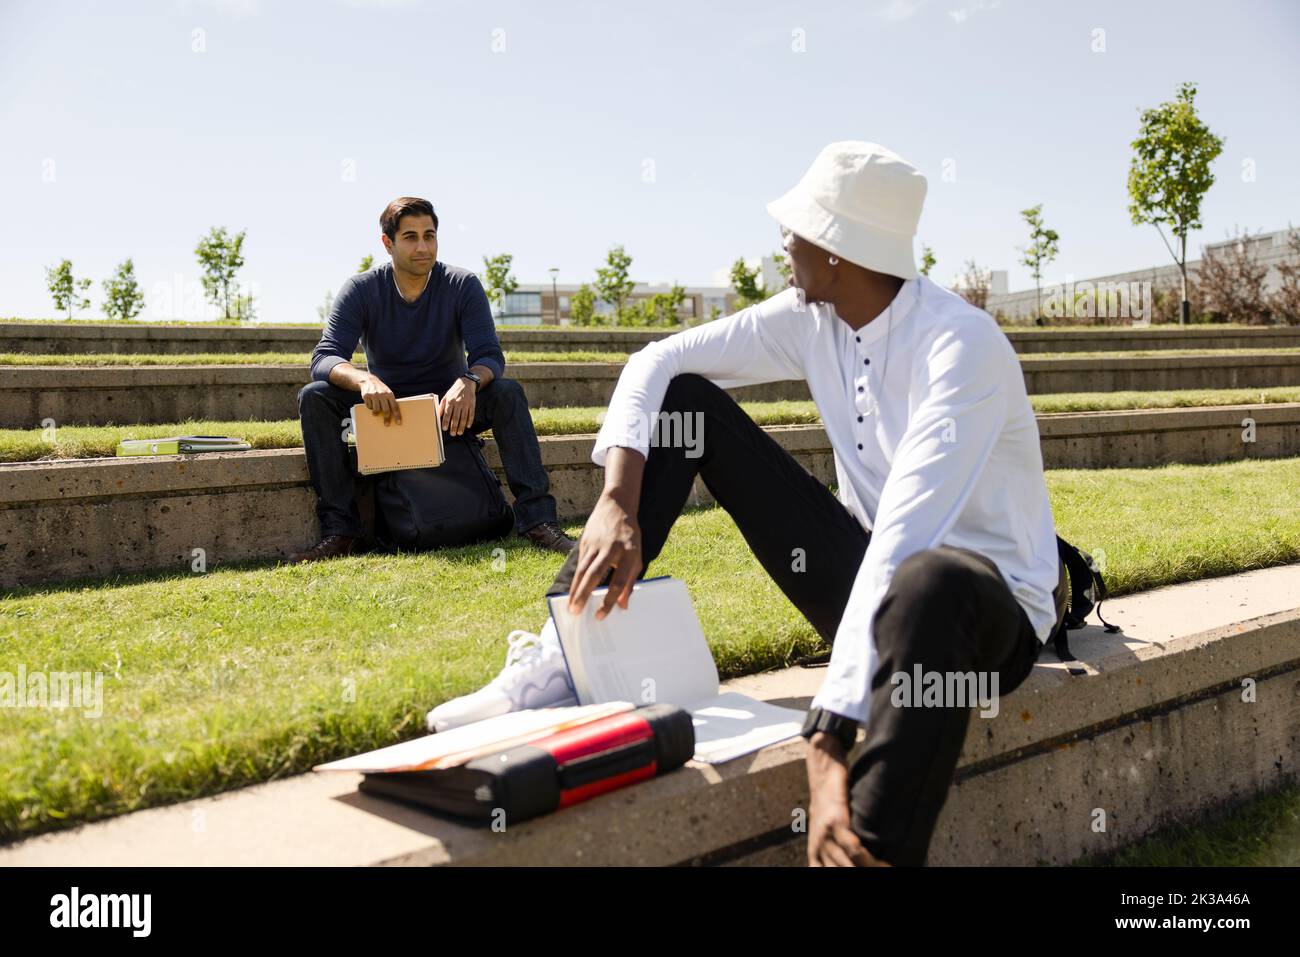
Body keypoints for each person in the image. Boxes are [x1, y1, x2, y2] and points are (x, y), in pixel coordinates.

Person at [426, 143, 1066, 867]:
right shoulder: (812, 318)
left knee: (929, 578)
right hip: (877, 588)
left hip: (981, 620)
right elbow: (655, 361)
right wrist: (617, 499)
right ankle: (561, 654)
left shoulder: (961, 345)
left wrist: (826, 742)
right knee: (688, 401)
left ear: (837, 252)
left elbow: (902, 542)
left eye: (796, 229)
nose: (783, 242)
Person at [290, 196, 576, 562]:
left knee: (506, 392)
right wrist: (363, 380)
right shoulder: (362, 289)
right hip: (388, 412)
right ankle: (342, 531)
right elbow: (324, 357)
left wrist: (469, 380)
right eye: (410, 237)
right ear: (387, 243)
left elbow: (490, 354)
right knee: (315, 396)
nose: (423, 246)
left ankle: (538, 522)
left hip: (449, 411)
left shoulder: (461, 284)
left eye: (430, 235)